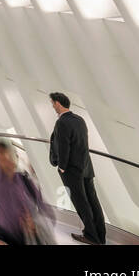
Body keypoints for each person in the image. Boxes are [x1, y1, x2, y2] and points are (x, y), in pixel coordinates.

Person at [49, 92, 105, 245]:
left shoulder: (62, 123)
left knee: (81, 203)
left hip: (71, 169)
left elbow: (64, 146)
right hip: (86, 166)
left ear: (58, 103)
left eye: (53, 103)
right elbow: (83, 143)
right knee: (93, 201)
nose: (52, 106)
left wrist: (62, 167)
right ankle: (100, 235)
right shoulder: (80, 119)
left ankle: (91, 237)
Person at [0, 141, 55, 244]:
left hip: (25, 236)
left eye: (5, 153)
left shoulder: (25, 180)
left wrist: (35, 224)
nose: (3, 157)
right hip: (2, 234)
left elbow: (46, 211)